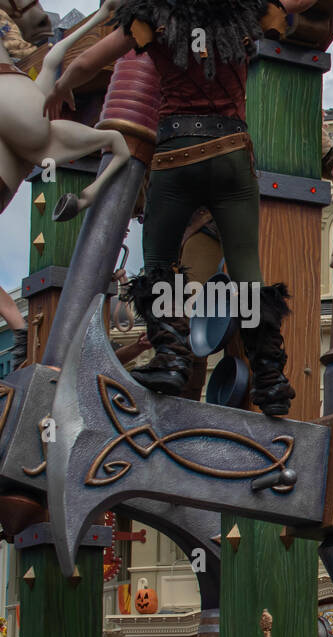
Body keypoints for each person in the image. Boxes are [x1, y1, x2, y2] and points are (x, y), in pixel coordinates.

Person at [44, 0, 316, 416]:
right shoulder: (247, 9)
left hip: (176, 156)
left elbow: (85, 64)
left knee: (160, 262)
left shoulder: (151, 14)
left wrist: (58, 91)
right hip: (232, 154)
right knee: (247, 272)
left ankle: (170, 361)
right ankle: (271, 380)